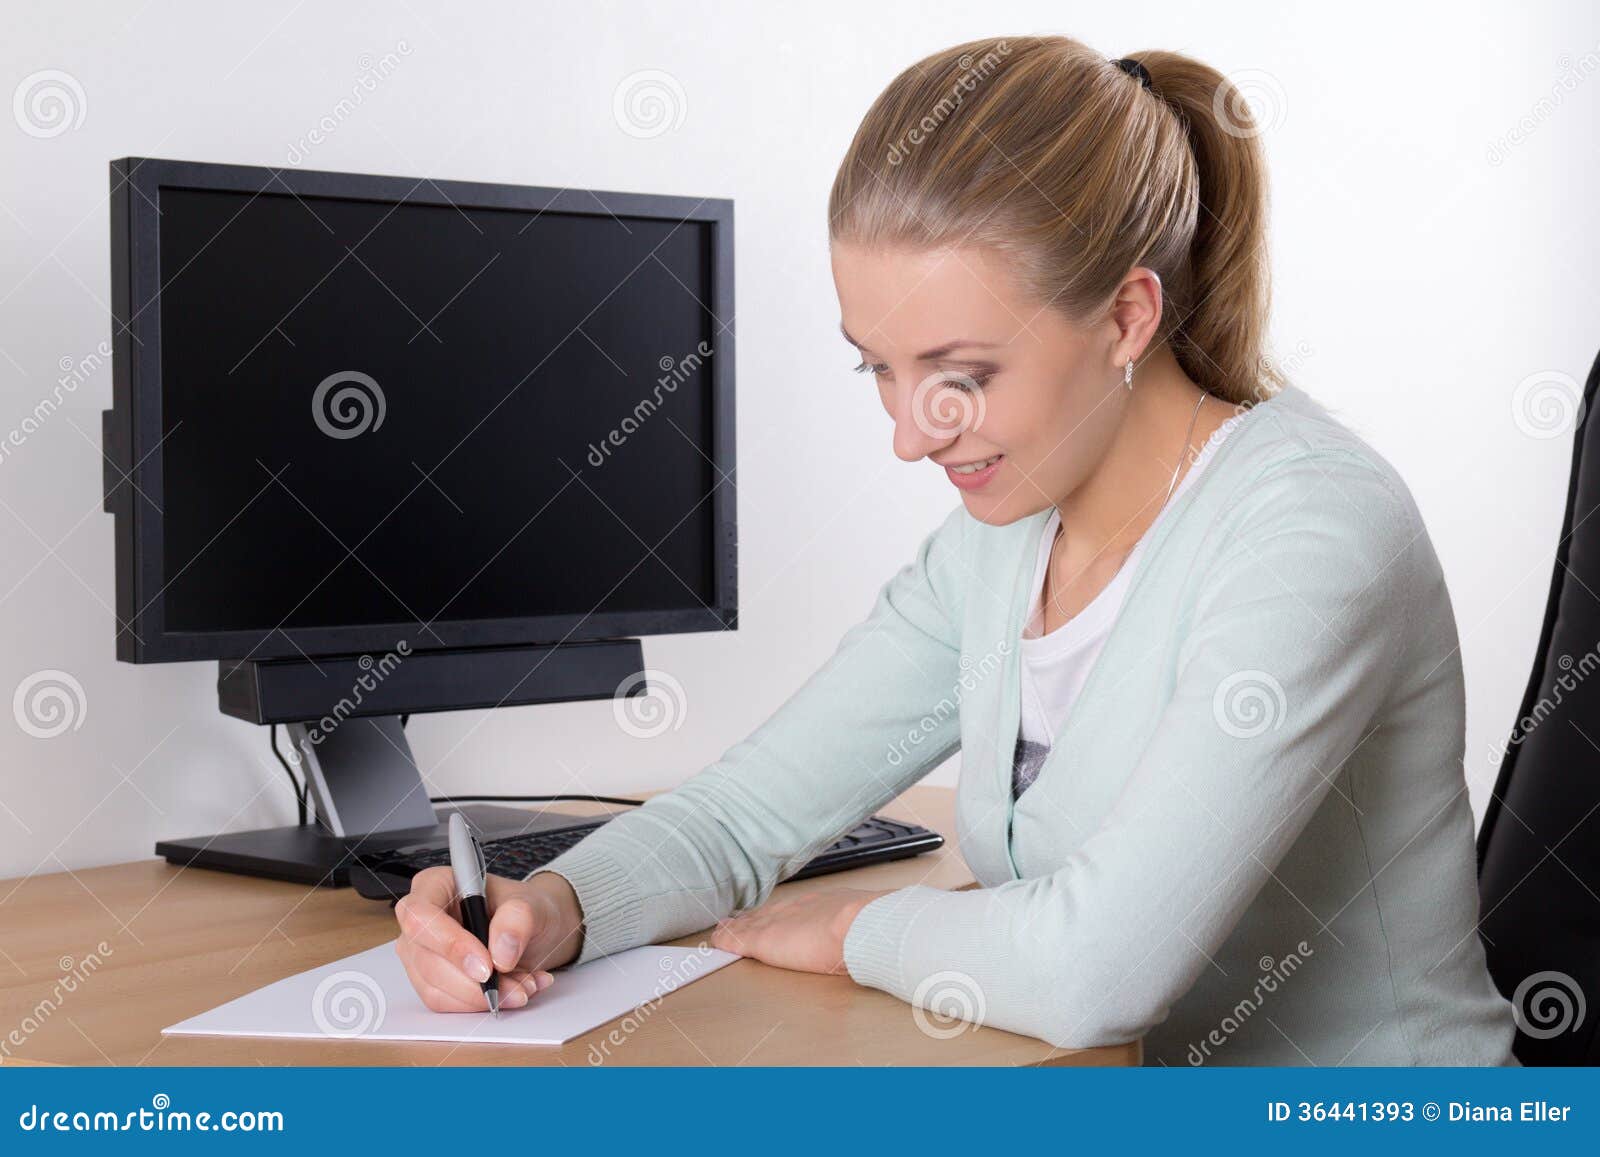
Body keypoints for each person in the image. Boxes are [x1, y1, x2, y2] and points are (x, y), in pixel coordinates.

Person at [393, 35, 1517, 1065]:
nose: (905, 432)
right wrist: (556, 904)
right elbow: (745, 814)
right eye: (875, 365)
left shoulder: (1311, 532)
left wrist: (854, 928)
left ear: (1128, 318)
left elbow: (1097, 967)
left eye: (960, 376)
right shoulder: (1001, 540)